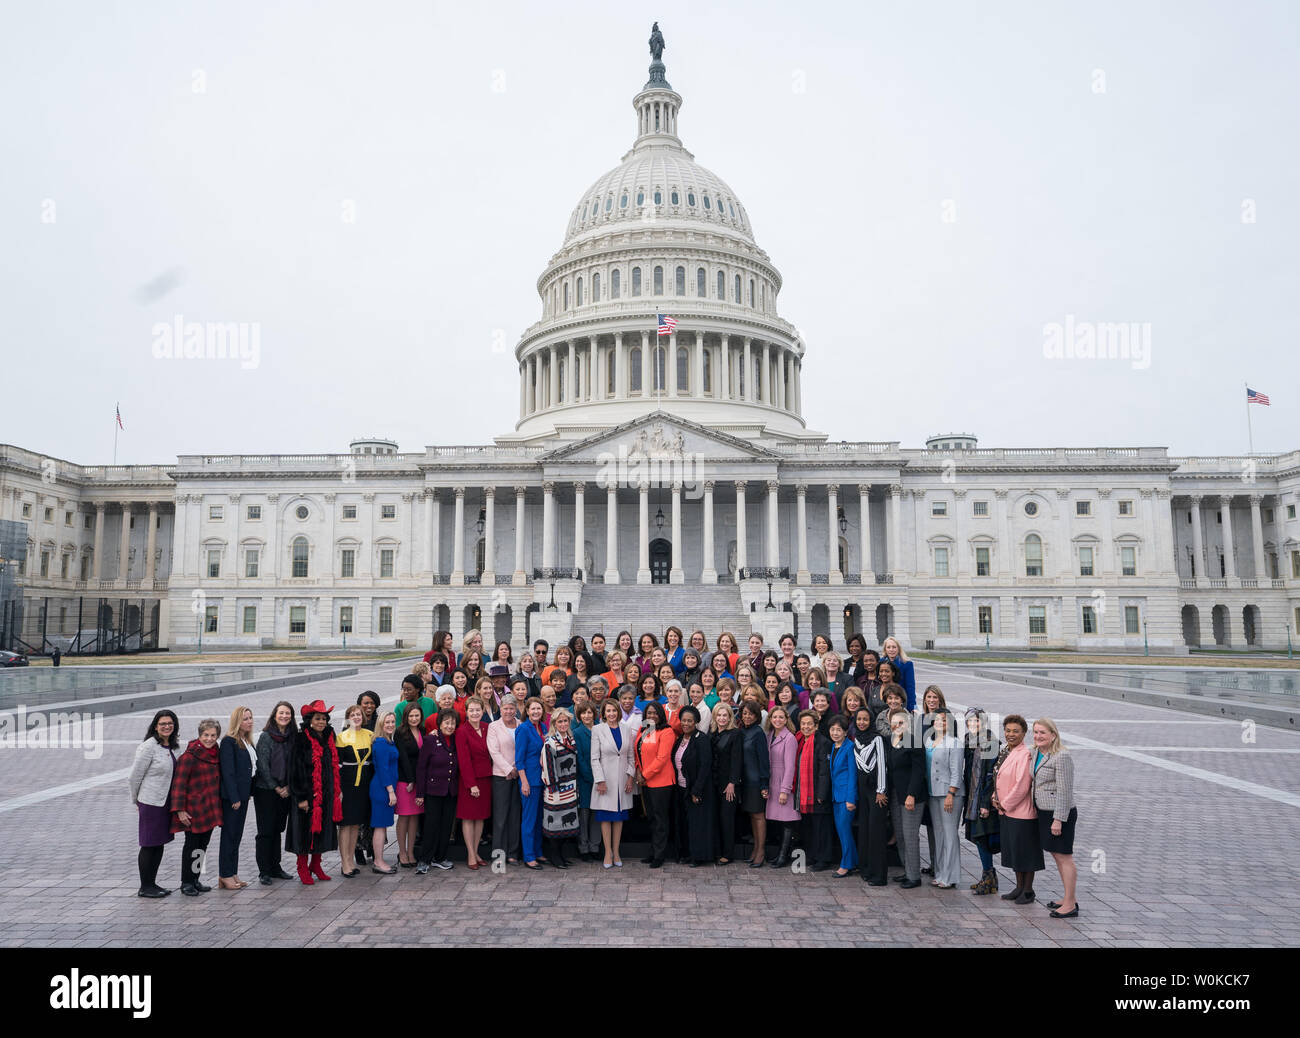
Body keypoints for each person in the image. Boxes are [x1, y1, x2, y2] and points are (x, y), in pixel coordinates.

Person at [288, 701, 342, 885]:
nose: (321, 722)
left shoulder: (329, 736)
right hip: (307, 796)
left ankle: (316, 865)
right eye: (318, 718)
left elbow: (333, 765)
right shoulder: (301, 738)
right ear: (309, 720)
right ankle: (302, 867)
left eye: (324, 718)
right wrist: (301, 797)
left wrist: (335, 790)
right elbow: (295, 770)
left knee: (321, 831)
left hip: (325, 795)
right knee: (304, 832)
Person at [991, 714, 1043, 905]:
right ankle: (1019, 887)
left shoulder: (1025, 754)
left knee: (1026, 853)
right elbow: (998, 776)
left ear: (1024, 733)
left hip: (1021, 812)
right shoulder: (1006, 750)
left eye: (1015, 731)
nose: (1011, 734)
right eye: (1008, 730)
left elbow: (1022, 784)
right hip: (1006, 810)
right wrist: (995, 797)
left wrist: (1005, 803)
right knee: (1014, 851)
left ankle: (1028, 890)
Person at [170, 718, 223, 896]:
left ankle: (196, 878)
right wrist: (180, 810)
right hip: (192, 810)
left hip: (209, 808)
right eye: (205, 735)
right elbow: (179, 785)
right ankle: (186, 882)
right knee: (191, 845)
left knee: (203, 845)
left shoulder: (217, 753)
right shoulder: (189, 756)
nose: (209, 739)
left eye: (213, 735)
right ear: (199, 735)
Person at [129, 709, 179, 897]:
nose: (167, 727)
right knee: (149, 843)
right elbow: (134, 777)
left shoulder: (173, 746)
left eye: (170, 724)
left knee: (159, 843)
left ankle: (152, 883)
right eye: (163, 724)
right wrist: (137, 800)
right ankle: (145, 886)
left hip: (165, 802)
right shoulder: (148, 747)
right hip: (150, 802)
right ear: (155, 726)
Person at [1032, 718, 1078, 918]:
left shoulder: (1061, 756)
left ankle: (1070, 904)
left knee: (1064, 856)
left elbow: (1065, 791)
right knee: (1056, 855)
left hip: (1059, 813)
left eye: (1042, 732)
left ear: (1053, 734)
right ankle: (1068, 897)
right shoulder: (1036, 752)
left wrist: (1058, 819)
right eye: (1035, 732)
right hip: (1044, 811)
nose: (1038, 736)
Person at [253, 701, 296, 884]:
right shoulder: (266, 736)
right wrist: (276, 787)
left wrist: (288, 786)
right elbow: (262, 765)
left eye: (288, 713)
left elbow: (295, 764)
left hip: (286, 791)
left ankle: (275, 867)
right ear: (274, 715)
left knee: (278, 829)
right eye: (281, 713)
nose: (284, 716)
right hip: (266, 791)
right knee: (265, 831)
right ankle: (264, 871)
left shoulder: (293, 737)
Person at [590, 697, 636, 869]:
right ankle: (607, 852)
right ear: (603, 713)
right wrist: (600, 780)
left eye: (614, 710)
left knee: (619, 818)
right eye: (608, 711)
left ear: (618, 712)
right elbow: (594, 758)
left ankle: (616, 851)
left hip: (623, 781)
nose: (611, 714)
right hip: (605, 781)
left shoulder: (626, 729)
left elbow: (631, 756)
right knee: (606, 817)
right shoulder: (597, 730)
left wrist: (631, 777)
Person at [963, 707, 1002, 895]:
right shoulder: (968, 741)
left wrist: (985, 803)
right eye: (970, 721)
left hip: (982, 798)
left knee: (982, 837)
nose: (973, 724)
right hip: (972, 797)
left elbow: (990, 776)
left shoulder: (990, 742)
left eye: (977, 721)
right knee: (978, 837)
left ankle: (988, 877)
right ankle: (989, 877)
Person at [415, 708, 459, 873]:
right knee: (431, 825)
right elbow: (421, 768)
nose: (449, 726)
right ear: (439, 724)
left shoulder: (456, 739)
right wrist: (420, 793)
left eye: (452, 723)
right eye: (446, 722)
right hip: (433, 790)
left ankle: (440, 857)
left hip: (450, 790)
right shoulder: (430, 740)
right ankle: (425, 859)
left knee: (446, 826)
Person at [886, 707, 926, 888]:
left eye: (901, 722)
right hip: (895, 795)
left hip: (911, 796)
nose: (897, 726)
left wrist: (912, 795)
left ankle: (914, 876)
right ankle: (907, 870)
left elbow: (918, 771)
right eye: (894, 723)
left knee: (910, 836)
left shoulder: (914, 741)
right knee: (901, 835)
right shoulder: (892, 741)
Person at [218, 705, 256, 890]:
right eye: (245, 719)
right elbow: (228, 772)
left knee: (237, 836)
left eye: (250, 718)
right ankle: (224, 874)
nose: (249, 722)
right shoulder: (229, 742)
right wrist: (234, 798)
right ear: (237, 721)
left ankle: (232, 872)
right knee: (229, 836)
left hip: (243, 796)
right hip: (233, 799)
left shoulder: (246, 740)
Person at [926, 708, 965, 889]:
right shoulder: (929, 741)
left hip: (950, 794)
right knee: (939, 834)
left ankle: (950, 876)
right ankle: (940, 872)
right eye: (937, 720)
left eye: (943, 720)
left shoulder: (954, 743)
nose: (939, 723)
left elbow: (957, 771)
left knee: (950, 835)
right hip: (933, 792)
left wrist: (951, 793)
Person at [635, 700, 676, 868]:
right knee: (651, 818)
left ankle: (660, 855)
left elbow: (661, 758)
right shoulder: (644, 729)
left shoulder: (667, 732)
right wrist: (638, 770)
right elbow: (638, 751)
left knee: (660, 820)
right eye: (649, 713)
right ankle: (653, 851)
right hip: (645, 782)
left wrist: (644, 774)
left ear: (661, 715)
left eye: (655, 713)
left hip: (661, 782)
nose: (651, 716)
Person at [851, 707, 889, 886]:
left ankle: (879, 874)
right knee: (864, 829)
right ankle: (865, 868)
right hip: (862, 790)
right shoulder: (856, 738)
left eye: (865, 719)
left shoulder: (877, 739)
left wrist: (881, 790)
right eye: (859, 719)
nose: (862, 722)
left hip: (876, 791)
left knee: (876, 833)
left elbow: (881, 764)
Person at [336, 704, 374, 878]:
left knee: (356, 824)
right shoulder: (342, 737)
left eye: (359, 714)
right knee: (345, 825)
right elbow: (337, 766)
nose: (356, 717)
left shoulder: (370, 735)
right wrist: (338, 790)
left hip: (364, 785)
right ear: (348, 717)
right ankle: (344, 863)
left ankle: (351, 860)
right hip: (347, 784)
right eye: (353, 715)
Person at [792, 709, 833, 872]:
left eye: (810, 723)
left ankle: (823, 859)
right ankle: (812, 856)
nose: (806, 726)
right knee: (808, 827)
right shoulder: (799, 740)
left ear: (816, 725)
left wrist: (821, 794)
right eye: (803, 723)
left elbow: (824, 771)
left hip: (817, 794)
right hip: (803, 793)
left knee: (821, 828)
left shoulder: (823, 742)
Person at [455, 696, 493, 870]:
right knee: (469, 817)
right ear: (467, 712)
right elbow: (464, 761)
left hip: (486, 778)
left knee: (481, 817)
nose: (475, 713)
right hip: (470, 781)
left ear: (482, 711)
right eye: (472, 710)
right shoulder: (462, 731)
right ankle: (470, 853)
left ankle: (476, 851)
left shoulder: (487, 728)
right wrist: (472, 785)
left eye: (478, 710)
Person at [539, 708, 580, 868]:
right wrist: (553, 787)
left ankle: (561, 855)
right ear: (554, 724)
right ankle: (554, 856)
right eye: (560, 721)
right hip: (556, 790)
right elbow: (548, 766)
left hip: (570, 788)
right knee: (555, 824)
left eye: (565, 721)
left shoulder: (570, 738)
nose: (563, 724)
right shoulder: (550, 742)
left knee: (567, 826)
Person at [675, 705, 713, 866]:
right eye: (683, 720)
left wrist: (696, 790)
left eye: (689, 721)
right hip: (681, 787)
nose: (686, 724)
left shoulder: (701, 739)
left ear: (696, 721)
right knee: (685, 823)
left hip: (697, 789)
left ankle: (698, 856)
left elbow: (705, 765)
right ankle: (686, 853)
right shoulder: (680, 739)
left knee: (698, 824)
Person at [487, 693, 522, 865]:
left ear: (516, 709)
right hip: (501, 776)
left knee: (515, 816)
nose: (508, 711)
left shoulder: (521, 725)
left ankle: (513, 853)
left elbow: (524, 748)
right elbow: (494, 752)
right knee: (501, 817)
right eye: (505, 708)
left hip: (519, 775)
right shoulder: (494, 727)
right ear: (500, 709)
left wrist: (517, 768)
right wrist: (509, 769)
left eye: (511, 708)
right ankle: (499, 856)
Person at [763, 705, 799, 868]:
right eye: (774, 717)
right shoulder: (769, 735)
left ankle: (783, 856)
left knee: (787, 821)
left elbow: (790, 766)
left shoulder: (789, 738)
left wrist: (785, 790)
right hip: (772, 781)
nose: (777, 720)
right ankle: (780, 853)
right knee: (777, 820)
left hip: (783, 782)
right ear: (770, 719)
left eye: (781, 717)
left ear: (786, 720)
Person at [515, 697, 548, 869]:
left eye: (539, 709)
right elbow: (519, 759)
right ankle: (528, 856)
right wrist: (524, 782)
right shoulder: (523, 729)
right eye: (533, 709)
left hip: (543, 779)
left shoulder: (543, 727)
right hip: (529, 780)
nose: (536, 711)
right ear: (527, 711)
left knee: (539, 819)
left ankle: (538, 851)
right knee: (529, 819)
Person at [738, 701, 770, 868]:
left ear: (757, 716)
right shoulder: (742, 731)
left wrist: (764, 784)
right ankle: (755, 848)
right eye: (744, 713)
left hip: (756, 781)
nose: (747, 716)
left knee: (758, 816)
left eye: (750, 714)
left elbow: (764, 761)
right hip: (744, 781)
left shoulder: (758, 733)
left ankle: (761, 851)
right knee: (752, 815)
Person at [710, 703, 742, 864]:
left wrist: (732, 783)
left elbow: (737, 760)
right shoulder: (712, 734)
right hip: (713, 783)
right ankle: (716, 850)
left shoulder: (735, 734)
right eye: (719, 715)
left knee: (727, 818)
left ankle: (728, 853)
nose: (722, 718)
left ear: (730, 717)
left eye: (725, 715)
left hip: (728, 784)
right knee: (715, 817)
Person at [368, 711, 400, 874]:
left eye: (392, 722)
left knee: (383, 826)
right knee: (380, 827)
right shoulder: (380, 743)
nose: (390, 724)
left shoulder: (389, 741)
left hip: (386, 788)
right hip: (382, 789)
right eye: (386, 722)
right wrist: (391, 791)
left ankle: (379, 859)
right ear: (380, 724)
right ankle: (378, 861)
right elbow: (383, 769)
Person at [393, 704, 424, 868]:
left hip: (419, 780)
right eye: (411, 716)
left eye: (417, 716)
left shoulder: (423, 731)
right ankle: (402, 852)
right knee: (404, 816)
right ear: (406, 717)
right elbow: (403, 758)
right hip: (405, 780)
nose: (414, 719)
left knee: (415, 817)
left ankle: (411, 851)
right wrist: (411, 780)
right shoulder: (399, 733)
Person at [828, 715, 859, 877]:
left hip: (846, 798)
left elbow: (853, 776)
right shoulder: (834, 746)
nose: (835, 733)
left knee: (844, 831)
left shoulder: (849, 747)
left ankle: (846, 865)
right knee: (842, 830)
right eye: (832, 729)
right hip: (835, 796)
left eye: (838, 730)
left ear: (846, 732)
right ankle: (854, 861)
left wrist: (851, 799)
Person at [572, 701, 600, 862]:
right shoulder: (577, 732)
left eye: (589, 712)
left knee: (596, 813)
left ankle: (595, 845)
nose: (587, 716)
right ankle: (583, 847)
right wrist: (590, 776)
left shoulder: (599, 729)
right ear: (579, 716)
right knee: (584, 813)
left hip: (600, 778)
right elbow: (580, 758)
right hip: (584, 779)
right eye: (583, 713)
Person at [881, 636, 916, 710]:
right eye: (888, 647)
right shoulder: (881, 662)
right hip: (884, 702)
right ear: (885, 649)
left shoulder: (907, 664)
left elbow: (910, 687)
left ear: (898, 648)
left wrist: (912, 706)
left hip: (900, 701)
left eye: (894, 647)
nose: (891, 650)